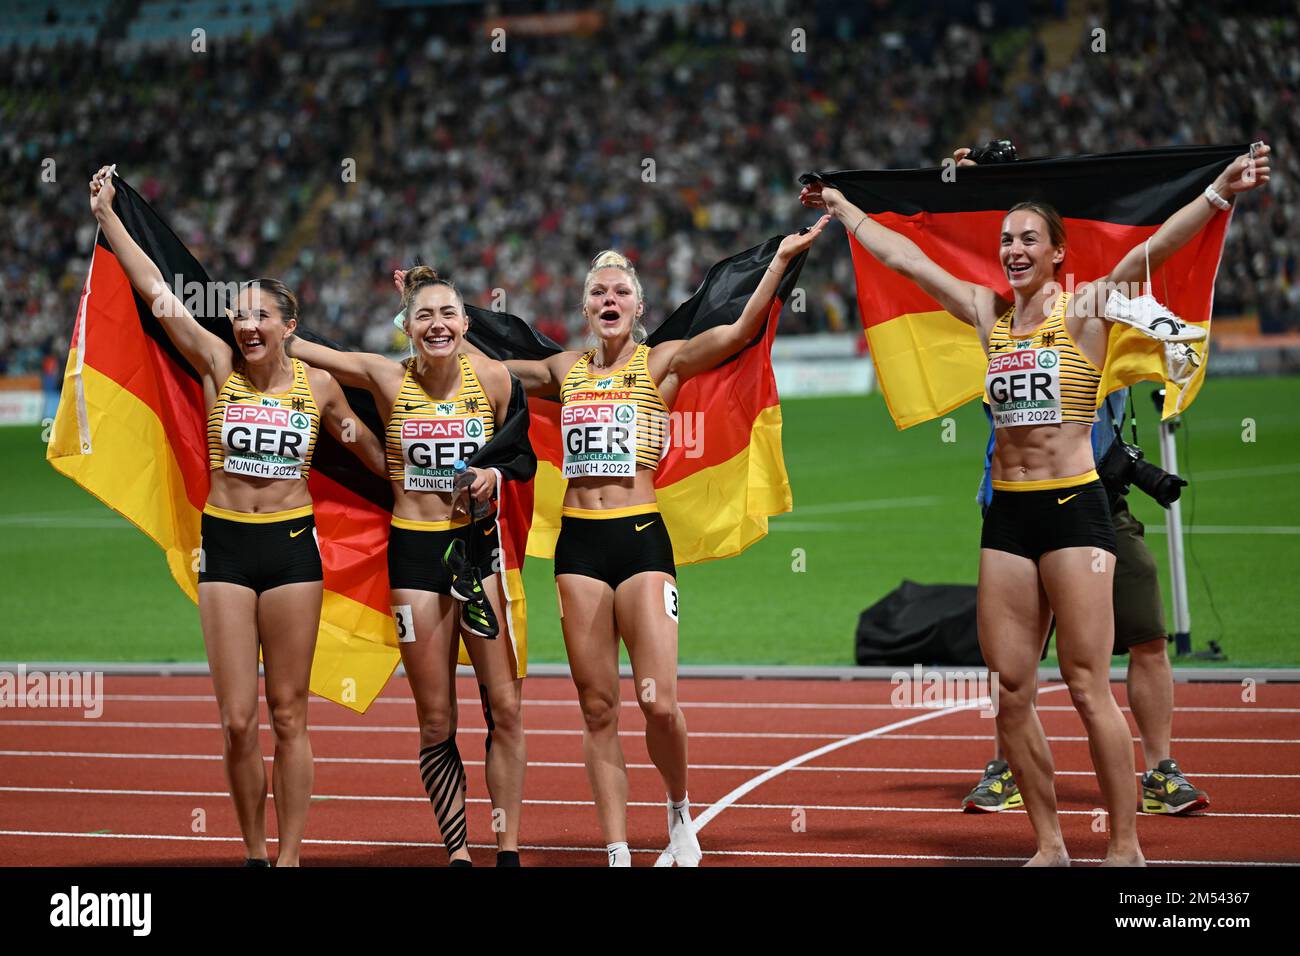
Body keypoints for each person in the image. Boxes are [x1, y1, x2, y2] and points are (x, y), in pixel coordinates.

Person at [801, 144, 1268, 865]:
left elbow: (1154, 247)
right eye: (1006, 241)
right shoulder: (988, 314)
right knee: (1012, 690)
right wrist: (842, 207)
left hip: (1076, 510)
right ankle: (1049, 842)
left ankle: (1123, 846)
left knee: (1088, 687)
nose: (1013, 250)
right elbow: (909, 263)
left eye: (1027, 240)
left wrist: (1220, 193)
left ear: (1056, 253)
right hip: (1009, 519)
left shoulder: (1085, 310)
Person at [489, 224, 828, 865]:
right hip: (578, 549)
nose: (609, 299)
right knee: (597, 707)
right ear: (585, 306)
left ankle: (678, 812)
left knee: (657, 700)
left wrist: (779, 261)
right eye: (598, 292)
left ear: (638, 307)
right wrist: (428, 315)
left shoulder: (661, 363)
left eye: (620, 291)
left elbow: (734, 335)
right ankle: (617, 847)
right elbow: (492, 371)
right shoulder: (565, 371)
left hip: (642, 539)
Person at [89, 166, 387, 866]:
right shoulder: (215, 362)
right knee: (235, 720)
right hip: (224, 547)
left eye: (261, 316)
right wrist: (108, 218)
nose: (247, 325)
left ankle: (287, 857)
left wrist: (428, 486)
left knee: (289, 714)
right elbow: (158, 294)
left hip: (291, 553)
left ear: (289, 326)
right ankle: (253, 852)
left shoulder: (320, 388)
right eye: (241, 314)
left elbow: (369, 452)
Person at [288, 266, 530, 866]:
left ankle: (507, 849)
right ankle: (458, 854)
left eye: (448, 314)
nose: (438, 324)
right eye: (424, 315)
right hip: (414, 556)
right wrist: (232, 314)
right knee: (436, 718)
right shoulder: (383, 376)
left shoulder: (496, 380)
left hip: (477, 554)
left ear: (467, 323)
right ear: (408, 328)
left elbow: (522, 453)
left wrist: (493, 475)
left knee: (504, 706)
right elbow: (296, 345)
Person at [963, 389, 1209, 815]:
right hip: (1016, 502)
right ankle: (1006, 769)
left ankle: (1160, 772)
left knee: (1147, 635)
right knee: (1010, 665)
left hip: (1097, 504)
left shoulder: (1100, 333)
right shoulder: (1009, 339)